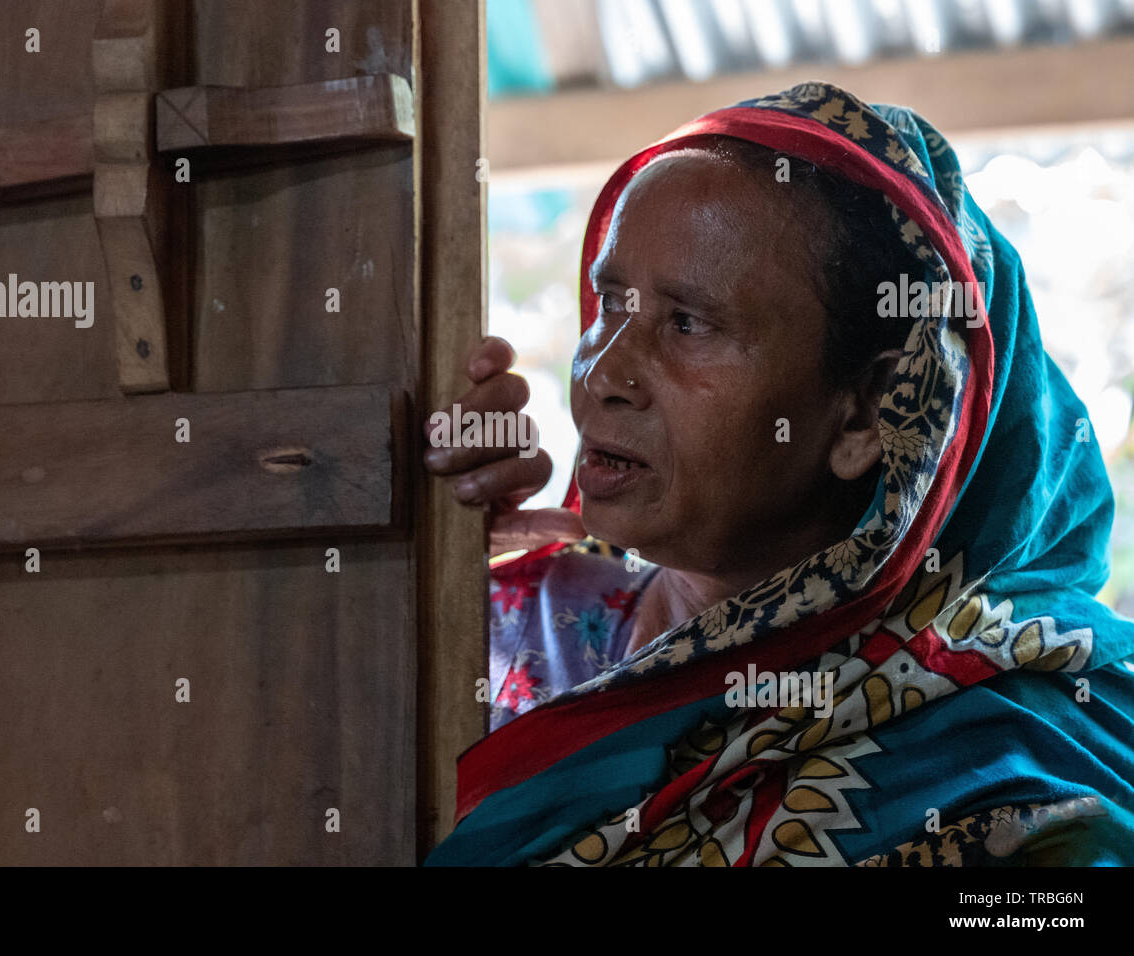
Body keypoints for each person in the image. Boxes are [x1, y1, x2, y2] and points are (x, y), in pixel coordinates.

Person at [422, 82, 1134, 866]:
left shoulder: (1026, 788)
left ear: (867, 412)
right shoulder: (498, 632)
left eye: (688, 323)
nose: (601, 372)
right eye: (609, 301)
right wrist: (410, 556)